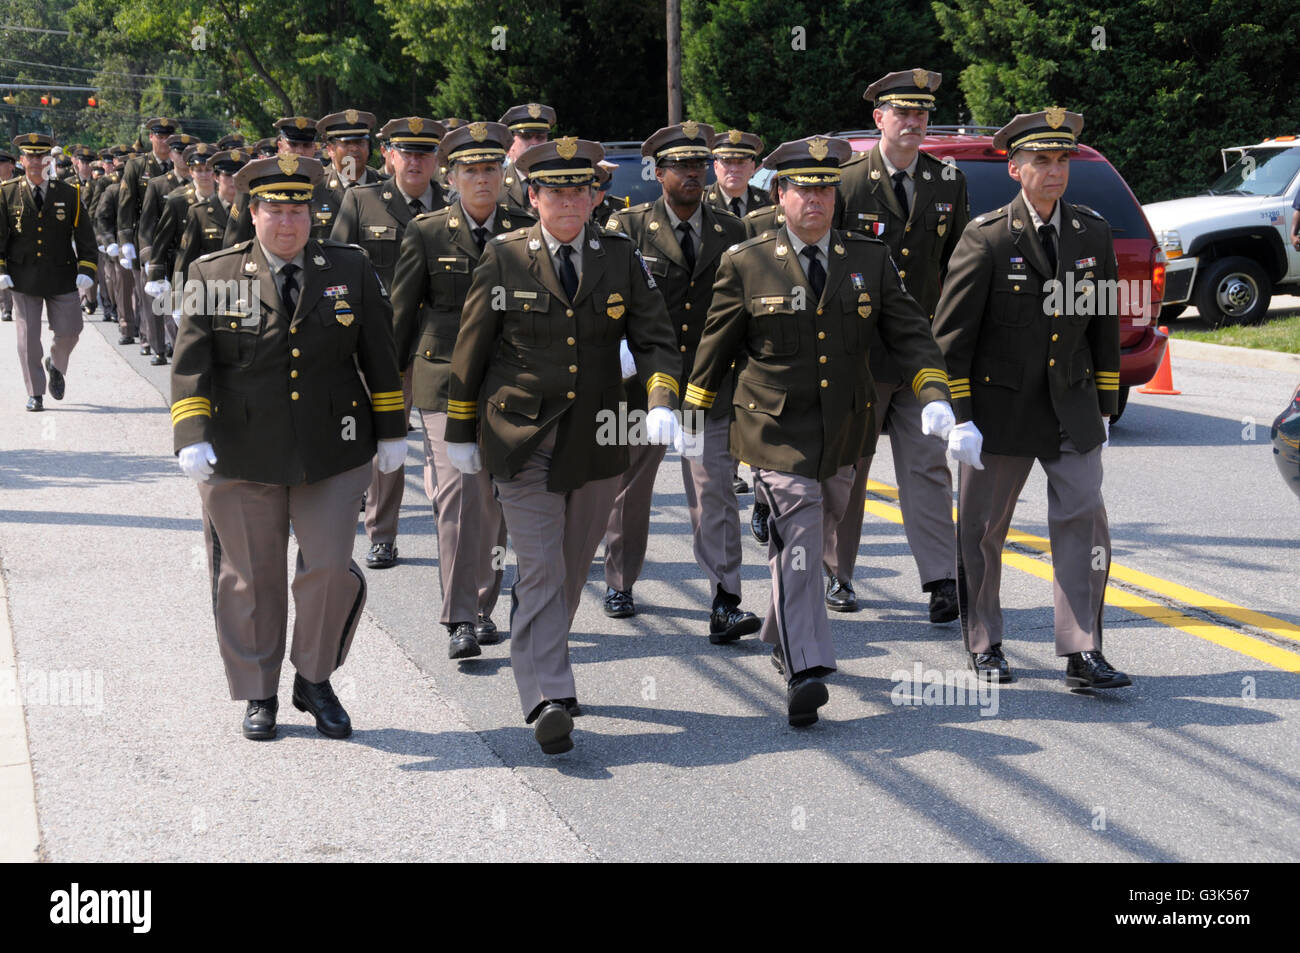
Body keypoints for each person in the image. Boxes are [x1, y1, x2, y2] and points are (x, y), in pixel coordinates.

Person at [681, 135, 955, 727]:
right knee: (800, 530)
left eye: (825, 190)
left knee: (814, 530)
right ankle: (806, 666)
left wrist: (934, 393)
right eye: (803, 189)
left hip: (847, 427)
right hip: (775, 429)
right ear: (780, 194)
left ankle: (782, 628)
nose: (816, 201)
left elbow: (909, 332)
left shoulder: (869, 260)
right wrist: (693, 415)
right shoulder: (746, 262)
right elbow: (715, 348)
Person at [444, 137, 681, 755]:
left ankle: (547, 648)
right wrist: (459, 434)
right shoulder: (504, 257)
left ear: (593, 196)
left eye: (581, 190)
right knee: (543, 564)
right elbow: (470, 351)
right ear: (534, 196)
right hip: (521, 437)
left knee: (572, 569)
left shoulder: (619, 256)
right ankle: (548, 693)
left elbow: (655, 336)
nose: (570, 201)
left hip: (601, 437)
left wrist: (660, 401)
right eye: (556, 191)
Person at [169, 153, 408, 740]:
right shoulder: (214, 275)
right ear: (252, 213)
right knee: (253, 577)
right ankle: (259, 691)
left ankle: (315, 678)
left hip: (333, 450)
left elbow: (378, 353)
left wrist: (392, 430)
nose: (287, 220)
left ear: (312, 214)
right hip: (241, 452)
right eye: (274, 208)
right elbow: (190, 365)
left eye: (298, 209)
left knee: (327, 568)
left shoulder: (347, 269)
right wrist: (190, 433)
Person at [931, 108, 1131, 690]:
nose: (1054, 171)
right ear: (1015, 169)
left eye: (1062, 159)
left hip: (1070, 405)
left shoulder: (1090, 232)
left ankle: (1082, 650)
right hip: (999, 412)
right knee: (983, 529)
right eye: (1041, 161)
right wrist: (960, 418)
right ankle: (986, 641)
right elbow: (952, 337)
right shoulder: (987, 236)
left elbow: (1102, 325)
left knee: (1084, 522)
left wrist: (1104, 403)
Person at [599, 122, 755, 642]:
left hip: (710, 382)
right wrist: (616, 347)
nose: (693, 174)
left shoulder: (733, 230)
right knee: (628, 489)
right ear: (658, 173)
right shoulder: (627, 228)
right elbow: (609, 299)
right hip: (641, 384)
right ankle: (619, 581)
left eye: (699, 165)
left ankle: (724, 598)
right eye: (681, 166)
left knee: (714, 492)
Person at [826, 68, 970, 621]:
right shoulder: (846, 180)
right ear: (878, 118)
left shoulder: (947, 182)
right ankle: (837, 573)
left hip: (919, 354)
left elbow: (958, 268)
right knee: (849, 468)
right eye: (901, 112)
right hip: (860, 352)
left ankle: (940, 580)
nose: (913, 122)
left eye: (921, 113)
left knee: (927, 464)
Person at [390, 120, 534, 659]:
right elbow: (402, 319)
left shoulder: (523, 226)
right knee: (454, 496)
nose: (482, 180)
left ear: (503, 174)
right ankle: (459, 618)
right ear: (451, 177)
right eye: (470, 171)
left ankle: (481, 605)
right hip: (442, 378)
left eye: (491, 169)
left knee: (491, 501)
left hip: (506, 382)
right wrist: (387, 394)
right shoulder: (427, 233)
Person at [331, 116, 448, 569]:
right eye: (407, 152)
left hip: (443, 344)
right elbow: (337, 272)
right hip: (383, 344)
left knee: (450, 445)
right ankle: (382, 532)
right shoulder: (362, 202)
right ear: (389, 156)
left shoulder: (454, 205)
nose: (415, 161)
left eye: (425, 153)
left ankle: (454, 533)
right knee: (388, 438)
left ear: (437, 159)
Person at [0, 134, 98, 411]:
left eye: (40, 157)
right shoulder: (6, 193)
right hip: (24, 276)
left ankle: (55, 362)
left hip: (61, 274)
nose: (34, 162)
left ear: (49, 161)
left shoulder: (69, 193)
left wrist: (87, 268)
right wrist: (1, 269)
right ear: (21, 160)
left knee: (71, 331)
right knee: (28, 338)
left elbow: (86, 238)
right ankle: (36, 392)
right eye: (29, 156)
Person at [117, 118, 180, 357]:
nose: (163, 141)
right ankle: (154, 344)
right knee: (150, 296)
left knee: (170, 294)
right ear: (151, 137)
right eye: (159, 136)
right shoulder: (137, 166)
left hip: (176, 240)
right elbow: (126, 206)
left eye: (167, 136)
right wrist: (125, 243)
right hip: (147, 239)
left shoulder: (179, 167)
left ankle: (171, 341)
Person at [315, 109, 381, 239]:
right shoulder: (315, 190)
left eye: (360, 142)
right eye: (346, 143)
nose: (354, 148)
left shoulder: (386, 188)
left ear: (368, 147)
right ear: (330, 150)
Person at [497, 103, 556, 215]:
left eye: (540, 137)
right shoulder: (495, 187)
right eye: (526, 136)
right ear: (509, 144)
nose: (534, 143)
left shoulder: (561, 182)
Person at [704, 129, 771, 218]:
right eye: (727, 162)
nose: (734, 169)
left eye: (741, 162)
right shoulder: (699, 202)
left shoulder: (769, 202)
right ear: (715, 167)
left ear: (752, 167)